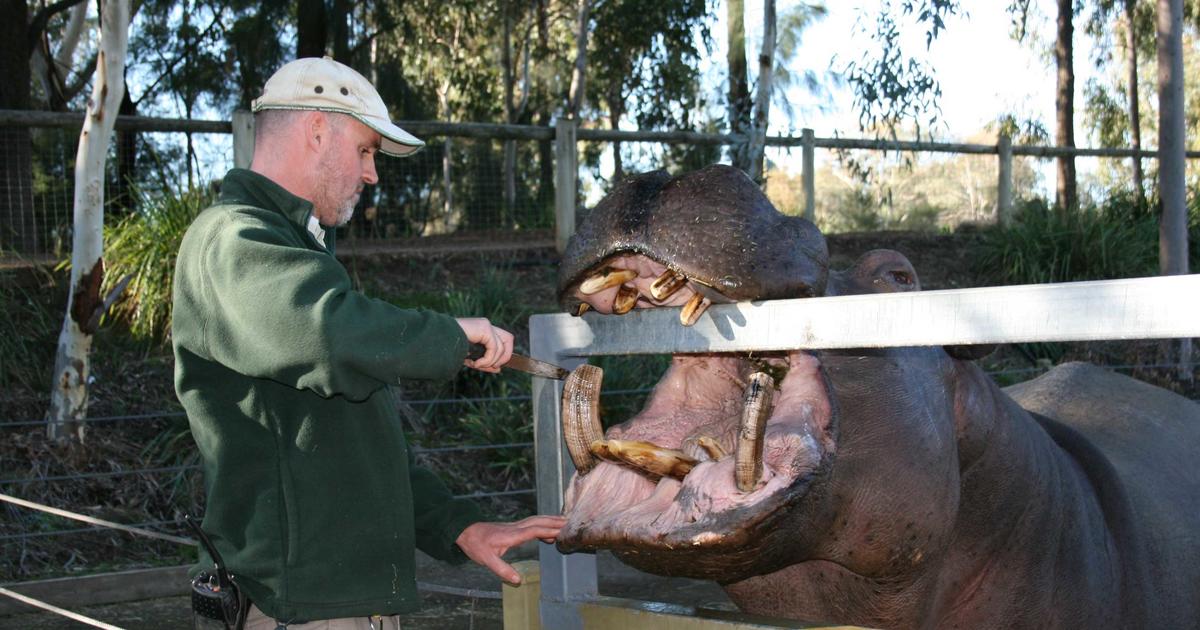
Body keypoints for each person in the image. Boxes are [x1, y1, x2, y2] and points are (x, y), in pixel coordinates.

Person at [172, 56, 565, 628]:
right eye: (365, 151)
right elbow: (330, 336)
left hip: (351, 605)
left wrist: (456, 526)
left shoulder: (300, 252)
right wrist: (450, 335)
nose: (372, 174)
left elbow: (349, 443)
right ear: (315, 130)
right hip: (301, 607)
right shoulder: (232, 240)